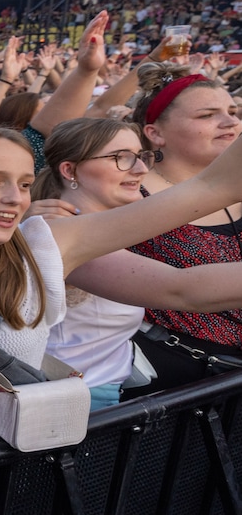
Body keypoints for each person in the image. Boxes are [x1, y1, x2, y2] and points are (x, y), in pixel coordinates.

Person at [0, 125, 242, 451]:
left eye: (23, 184)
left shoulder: (39, 245)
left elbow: (211, 189)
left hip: (21, 454)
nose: (12, 198)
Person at [32, 118, 242, 407]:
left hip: (103, 392)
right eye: (121, 158)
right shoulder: (56, 230)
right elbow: (183, 289)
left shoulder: (97, 225)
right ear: (70, 169)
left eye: (142, 156)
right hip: (71, 401)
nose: (141, 169)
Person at [126, 61, 242, 389]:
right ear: (155, 133)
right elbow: (180, 288)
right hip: (177, 382)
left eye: (233, 111)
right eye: (207, 116)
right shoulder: (128, 192)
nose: (229, 122)